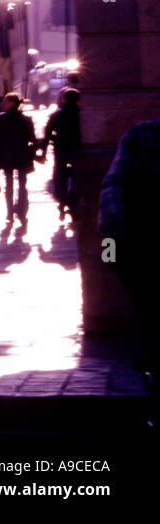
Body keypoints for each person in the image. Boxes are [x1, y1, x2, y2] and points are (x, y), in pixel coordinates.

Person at [98, 117, 160, 371]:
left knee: (144, 293)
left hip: (135, 234)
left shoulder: (140, 135)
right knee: (115, 260)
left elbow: (112, 182)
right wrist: (114, 225)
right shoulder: (141, 136)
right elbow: (114, 183)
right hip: (138, 233)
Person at [0, 92, 38, 225]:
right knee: (22, 185)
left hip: (7, 157)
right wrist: (35, 154)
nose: (3, 104)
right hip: (22, 156)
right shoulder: (26, 119)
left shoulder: (0, 119)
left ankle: (10, 213)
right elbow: (33, 140)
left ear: (12, 103)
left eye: (5, 101)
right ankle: (22, 212)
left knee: (9, 185)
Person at [40, 88, 82, 221]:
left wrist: (43, 152)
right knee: (77, 178)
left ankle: (61, 203)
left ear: (63, 99)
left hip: (61, 150)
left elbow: (47, 134)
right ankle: (73, 205)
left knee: (59, 178)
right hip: (77, 150)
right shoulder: (81, 114)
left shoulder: (56, 115)